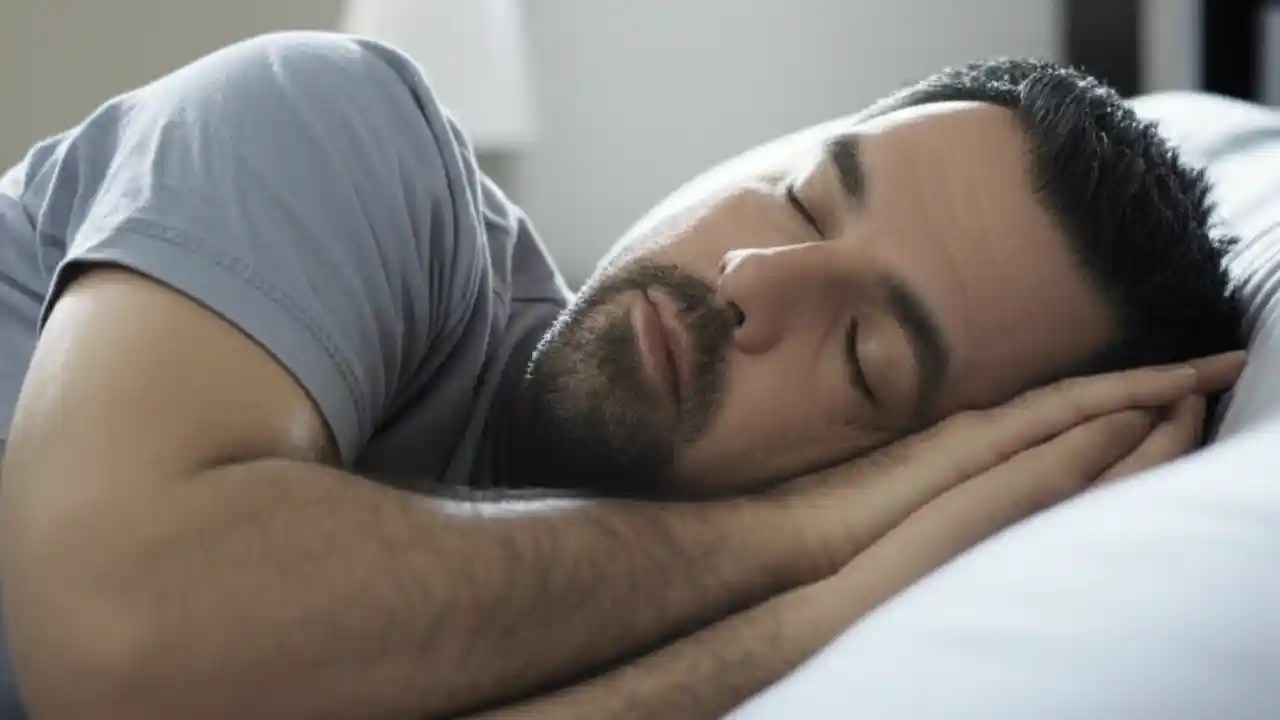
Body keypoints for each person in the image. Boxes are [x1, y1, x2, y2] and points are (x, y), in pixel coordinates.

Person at [0, 32, 1244, 718]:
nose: (756, 275)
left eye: (863, 357)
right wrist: (799, 540)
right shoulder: (342, 135)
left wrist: (812, 622)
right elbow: (129, 641)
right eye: (804, 198)